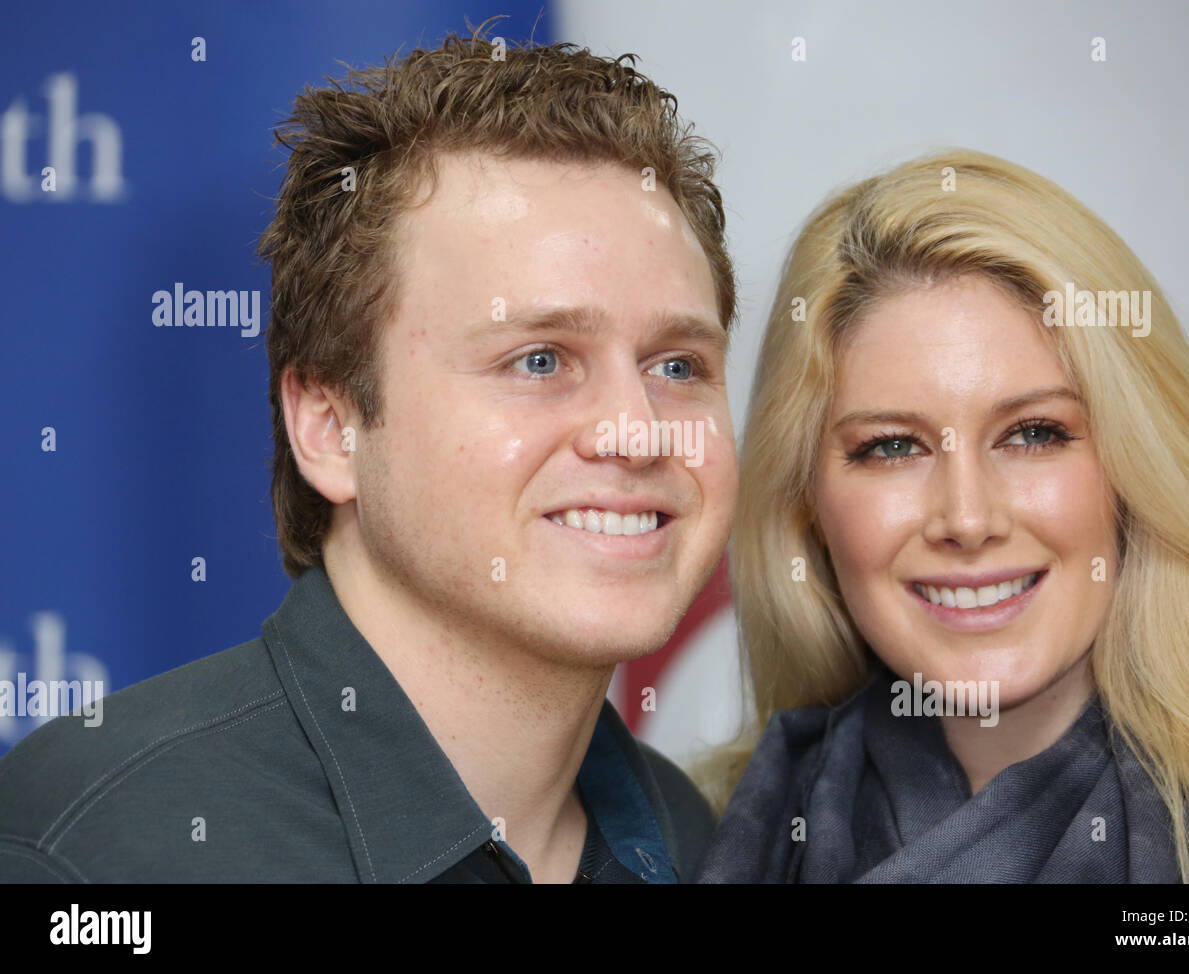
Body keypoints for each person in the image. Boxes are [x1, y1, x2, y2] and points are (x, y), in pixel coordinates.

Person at [0, 29, 739, 884]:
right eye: (538, 360)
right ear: (328, 428)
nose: (636, 430)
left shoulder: (701, 845)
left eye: (677, 366)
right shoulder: (100, 853)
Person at [694, 149, 1189, 883]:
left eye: (1034, 433)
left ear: (1138, 466)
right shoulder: (706, 833)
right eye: (892, 447)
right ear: (809, 506)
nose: (968, 517)